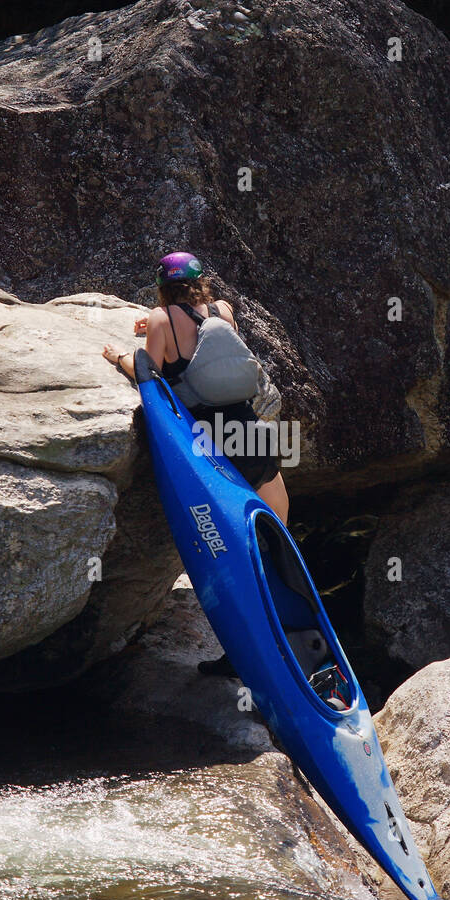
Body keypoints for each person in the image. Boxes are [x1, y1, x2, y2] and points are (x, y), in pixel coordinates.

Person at [103, 252, 290, 676]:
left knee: (236, 552)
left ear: (161, 285)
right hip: (251, 431)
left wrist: (119, 355)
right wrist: (154, 328)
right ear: (200, 282)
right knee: (275, 539)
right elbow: (214, 350)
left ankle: (245, 656)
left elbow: (147, 373)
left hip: (213, 441)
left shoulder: (160, 317)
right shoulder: (222, 310)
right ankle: (289, 631)